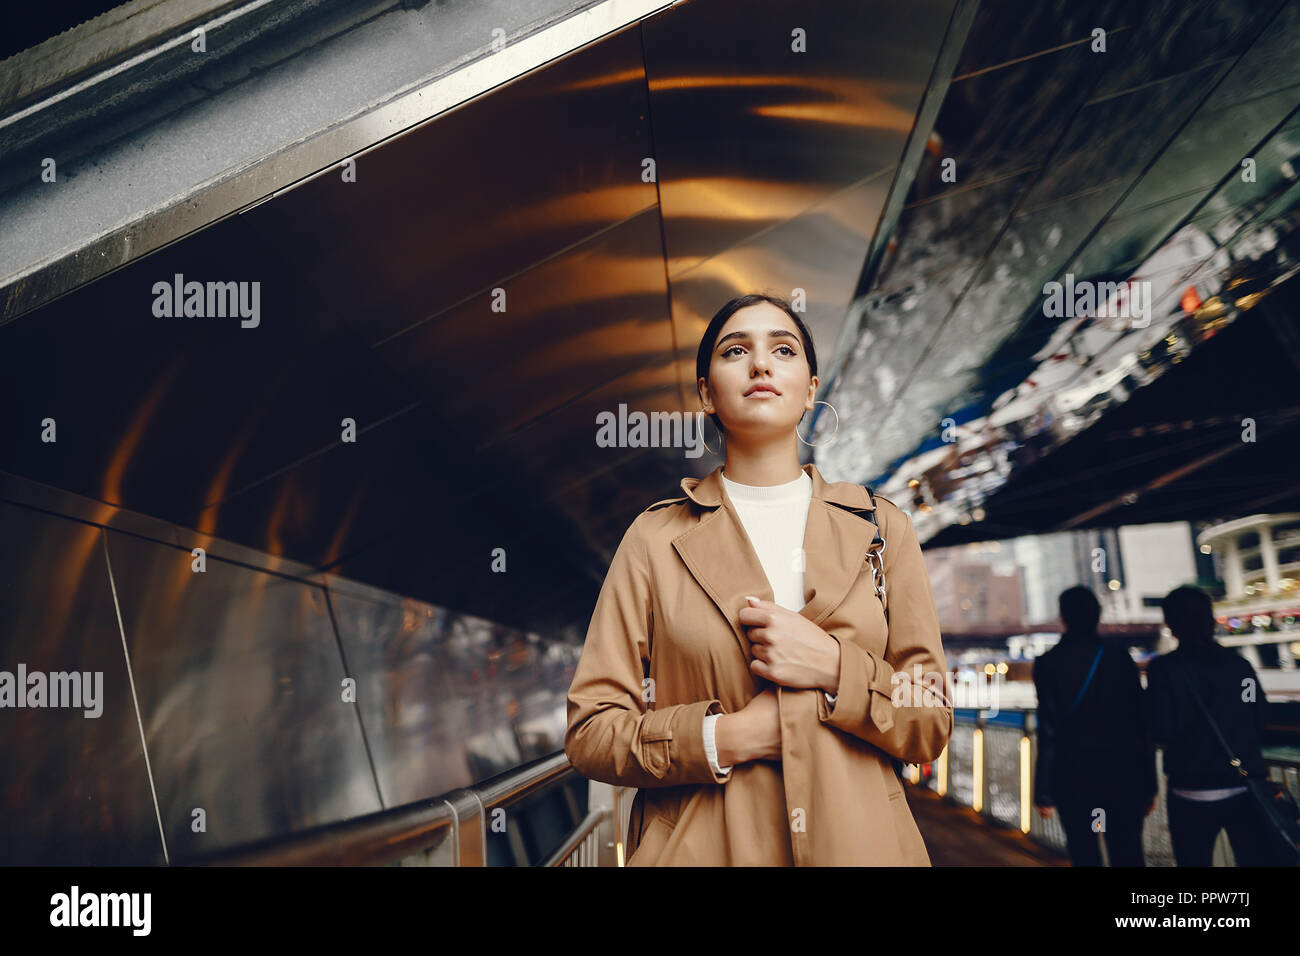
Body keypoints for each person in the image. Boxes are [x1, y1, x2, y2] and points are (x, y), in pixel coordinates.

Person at [564, 292, 953, 865]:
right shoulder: (654, 539)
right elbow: (592, 732)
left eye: (784, 349)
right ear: (706, 393)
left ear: (811, 388)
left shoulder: (880, 528)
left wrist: (834, 666)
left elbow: (930, 719)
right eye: (735, 350)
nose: (761, 364)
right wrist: (727, 738)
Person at [1146, 586, 1275, 866]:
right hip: (1244, 786)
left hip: (1190, 789)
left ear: (1171, 625)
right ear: (1211, 619)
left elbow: (1161, 729)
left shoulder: (1163, 670)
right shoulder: (1239, 667)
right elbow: (1260, 718)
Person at [1033, 586, 1156, 866]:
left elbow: (1048, 730)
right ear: (1098, 616)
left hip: (1073, 779)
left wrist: (1044, 791)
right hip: (1125, 777)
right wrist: (1149, 784)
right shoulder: (1120, 659)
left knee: (1084, 853)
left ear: (1063, 618)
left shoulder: (1048, 663)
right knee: (1128, 854)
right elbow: (1141, 725)